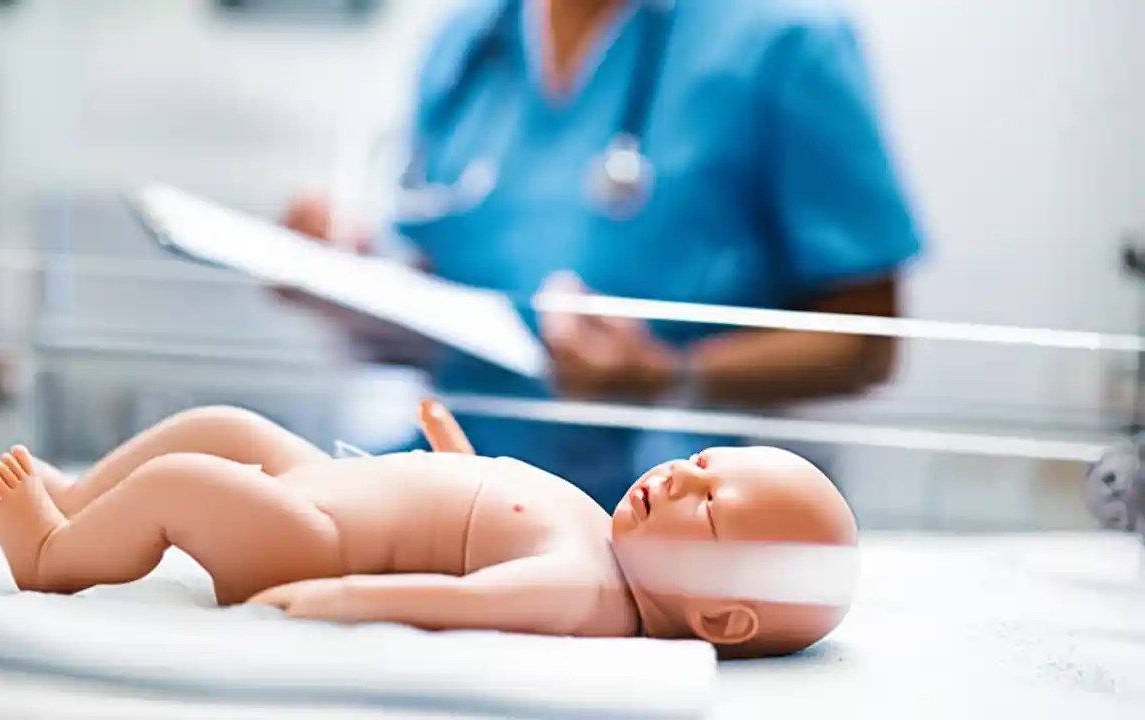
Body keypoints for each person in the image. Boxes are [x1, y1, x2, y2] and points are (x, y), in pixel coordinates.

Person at [280, 0, 923, 510]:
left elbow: (864, 340)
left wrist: (670, 375)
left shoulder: (785, 36)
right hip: (457, 476)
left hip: (671, 509)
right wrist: (347, 274)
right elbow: (441, 269)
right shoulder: (471, 40)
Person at [0, 401, 858, 658]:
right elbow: (481, 517)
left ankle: (53, 556)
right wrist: (457, 457)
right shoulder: (604, 535)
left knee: (188, 481)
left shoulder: (587, 588)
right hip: (330, 485)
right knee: (229, 427)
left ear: (719, 616)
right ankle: (81, 497)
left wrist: (342, 596)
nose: (678, 477)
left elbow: (465, 598)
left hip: (317, 541)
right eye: (700, 460)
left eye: (709, 506)